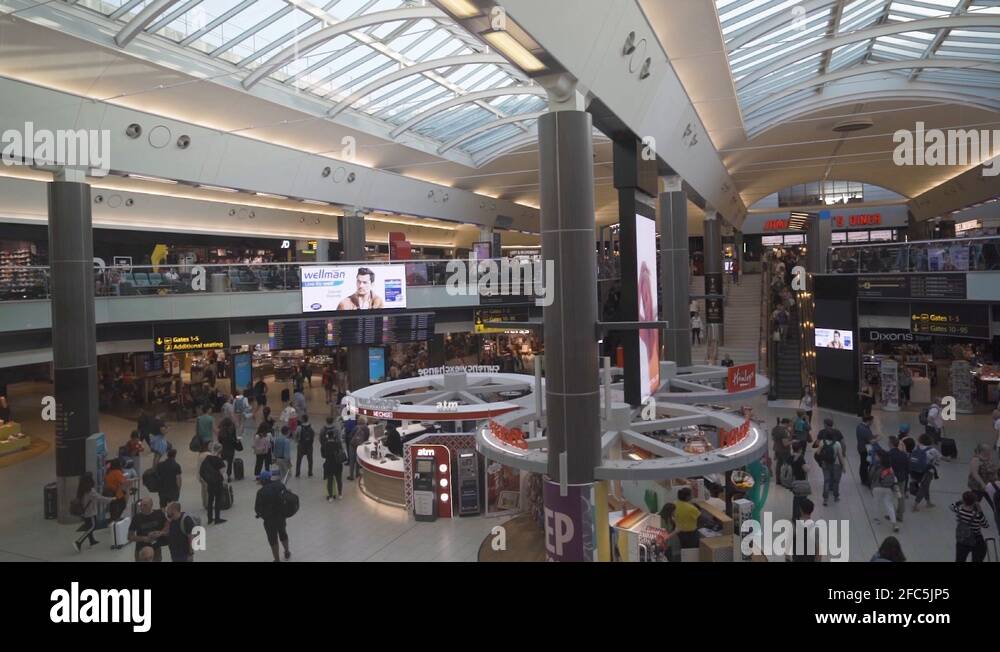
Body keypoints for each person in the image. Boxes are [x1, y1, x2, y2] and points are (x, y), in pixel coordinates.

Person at [255, 471, 291, 562]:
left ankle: (277, 559)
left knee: (273, 539)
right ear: (270, 478)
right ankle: (287, 551)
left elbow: (257, 509)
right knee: (283, 533)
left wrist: (262, 515)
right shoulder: (280, 485)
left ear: (262, 481)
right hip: (281, 516)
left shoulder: (261, 492)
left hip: (269, 520)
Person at [73, 472, 114, 552]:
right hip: (90, 513)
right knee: (92, 527)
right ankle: (78, 542)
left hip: (84, 513)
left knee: (89, 526)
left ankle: (92, 541)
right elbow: (100, 498)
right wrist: (111, 499)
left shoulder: (81, 490)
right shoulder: (91, 491)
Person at [813, 419, 846, 506]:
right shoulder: (837, 443)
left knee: (826, 480)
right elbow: (841, 455)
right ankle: (836, 497)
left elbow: (817, 453)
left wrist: (821, 460)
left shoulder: (822, 442)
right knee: (835, 481)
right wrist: (844, 466)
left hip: (825, 463)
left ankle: (825, 499)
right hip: (836, 464)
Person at [952, 490, 991, 562]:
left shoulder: (959, 510)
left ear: (963, 501)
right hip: (976, 540)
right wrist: (980, 510)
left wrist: (960, 501)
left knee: (959, 559)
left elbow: (952, 506)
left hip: (962, 540)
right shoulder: (977, 515)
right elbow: (985, 525)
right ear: (974, 502)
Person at [871, 449, 900, 533]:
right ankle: (894, 524)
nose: (875, 456)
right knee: (889, 505)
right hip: (888, 488)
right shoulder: (889, 467)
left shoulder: (876, 465)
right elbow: (894, 478)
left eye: (876, 455)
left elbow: (872, 475)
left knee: (876, 503)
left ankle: (877, 519)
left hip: (877, 487)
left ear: (879, 457)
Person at [199, 443, 227, 525]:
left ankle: (210, 519)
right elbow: (222, 474)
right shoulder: (220, 461)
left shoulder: (207, 458)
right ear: (220, 451)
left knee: (210, 500)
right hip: (218, 483)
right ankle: (217, 518)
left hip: (210, 483)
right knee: (218, 501)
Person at [887, 434, 910, 523]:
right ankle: (900, 515)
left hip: (892, 479)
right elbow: (908, 468)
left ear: (891, 444)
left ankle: (891, 514)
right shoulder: (904, 455)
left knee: (890, 497)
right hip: (902, 478)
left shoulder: (889, 455)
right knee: (901, 496)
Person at [968, 444, 997, 513]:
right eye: (988, 450)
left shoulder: (988, 458)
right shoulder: (976, 459)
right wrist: (983, 484)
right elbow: (975, 473)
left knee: (995, 503)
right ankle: (969, 515)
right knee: (973, 503)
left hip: (990, 486)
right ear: (983, 451)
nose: (990, 451)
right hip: (979, 487)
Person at [322, 428, 346, 501]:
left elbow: (323, 455)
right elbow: (342, 452)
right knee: (339, 480)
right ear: (334, 436)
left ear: (327, 436)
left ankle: (331, 496)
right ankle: (340, 494)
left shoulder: (325, 445)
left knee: (330, 480)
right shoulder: (338, 443)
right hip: (338, 464)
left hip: (329, 464)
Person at [217, 416, 239, 483]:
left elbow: (219, 440)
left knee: (221, 462)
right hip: (231, 448)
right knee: (229, 463)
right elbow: (235, 438)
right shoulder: (232, 429)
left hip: (223, 448)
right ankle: (229, 476)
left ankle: (220, 474)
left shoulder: (221, 431)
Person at [856, 415, 876, 488]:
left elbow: (868, 437)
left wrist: (873, 436)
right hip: (866, 449)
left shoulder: (860, 426)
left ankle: (864, 478)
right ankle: (865, 479)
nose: (872, 422)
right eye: (872, 421)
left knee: (864, 464)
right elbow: (871, 441)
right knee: (865, 464)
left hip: (862, 448)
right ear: (868, 421)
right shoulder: (864, 429)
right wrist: (878, 438)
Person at [771, 418, 792, 485]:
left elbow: (773, 438)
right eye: (789, 424)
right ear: (786, 423)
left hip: (777, 449)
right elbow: (785, 444)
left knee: (778, 465)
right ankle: (785, 480)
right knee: (787, 465)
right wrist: (793, 441)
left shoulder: (775, 428)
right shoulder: (784, 431)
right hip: (784, 451)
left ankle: (778, 480)